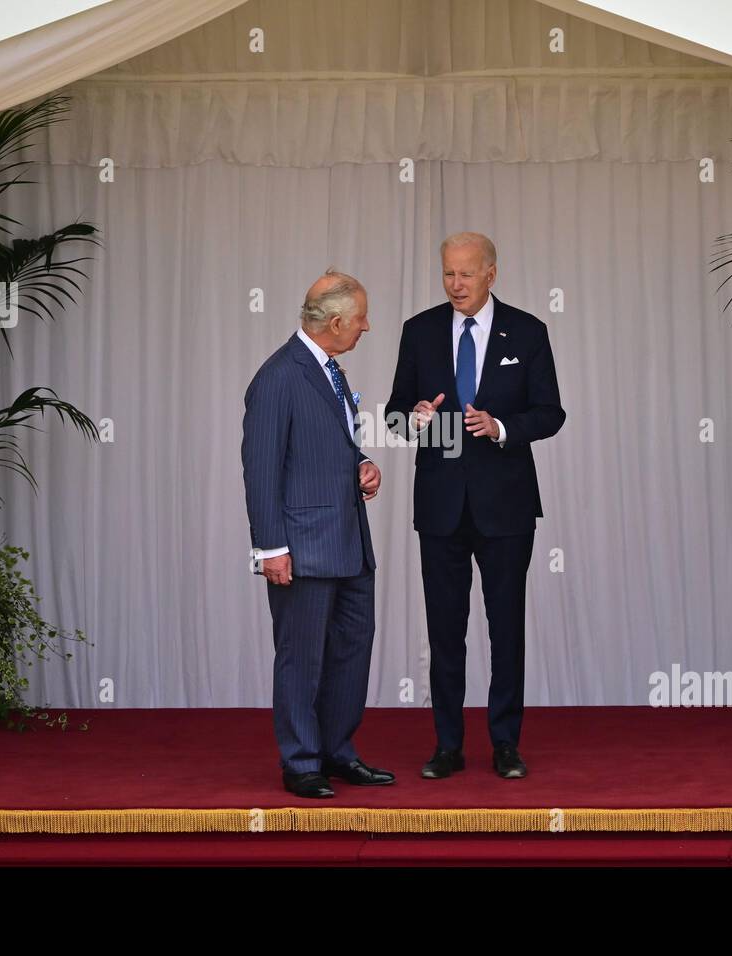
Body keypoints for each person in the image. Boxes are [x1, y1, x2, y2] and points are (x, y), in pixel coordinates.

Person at [386, 232, 565, 779]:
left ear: (491, 273)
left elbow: (551, 414)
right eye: (447, 274)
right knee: (445, 629)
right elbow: (394, 415)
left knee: (506, 625)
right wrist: (413, 415)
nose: (455, 285)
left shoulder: (529, 332)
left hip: (505, 508)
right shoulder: (418, 331)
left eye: (465, 274)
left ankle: (506, 744)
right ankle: (448, 745)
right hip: (440, 505)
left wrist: (502, 426)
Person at [241, 269, 393, 798]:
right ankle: (301, 762)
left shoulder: (330, 370)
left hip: (350, 543)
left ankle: (337, 752)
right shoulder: (278, 377)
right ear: (335, 322)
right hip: (302, 548)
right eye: (361, 319)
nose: (367, 327)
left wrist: (362, 464)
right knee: (302, 657)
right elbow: (260, 469)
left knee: (352, 652)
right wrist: (271, 549)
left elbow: (331, 444)